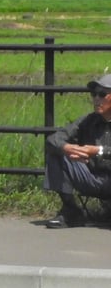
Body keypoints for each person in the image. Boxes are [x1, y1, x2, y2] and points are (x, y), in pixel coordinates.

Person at [44, 74, 111, 228]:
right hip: (92, 177)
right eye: (93, 94)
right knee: (57, 151)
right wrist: (67, 147)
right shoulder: (88, 120)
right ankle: (71, 210)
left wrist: (98, 151)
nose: (96, 99)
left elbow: (98, 151)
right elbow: (53, 139)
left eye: (102, 94)